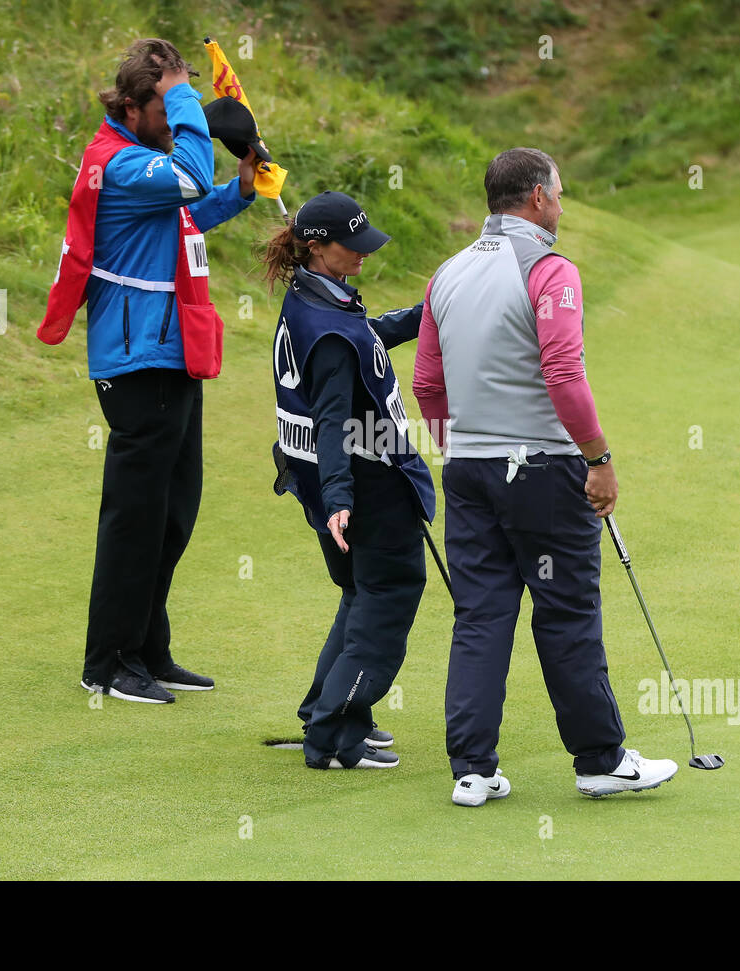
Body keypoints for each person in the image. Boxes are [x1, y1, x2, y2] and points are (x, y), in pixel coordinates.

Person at [412, 147, 679, 805]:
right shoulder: (549, 268)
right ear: (536, 198)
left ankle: (472, 770)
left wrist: (461, 449)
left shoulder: (445, 273)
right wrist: (598, 458)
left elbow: (426, 382)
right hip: (544, 470)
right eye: (558, 194)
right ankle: (600, 760)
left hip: (470, 470)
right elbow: (563, 374)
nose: (561, 205)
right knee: (565, 611)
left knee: (481, 614)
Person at [37, 38, 262, 704]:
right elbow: (187, 180)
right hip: (139, 362)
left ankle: (146, 646)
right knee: (134, 517)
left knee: (172, 513)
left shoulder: (141, 161)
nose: (176, 115)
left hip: (170, 356)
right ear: (132, 107)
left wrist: (244, 188)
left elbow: (187, 210)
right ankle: (106, 661)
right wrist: (191, 96)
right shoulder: (120, 163)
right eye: (166, 103)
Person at [263, 191, 434, 769]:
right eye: (350, 244)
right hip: (364, 487)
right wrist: (342, 500)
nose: (363, 253)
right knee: (386, 599)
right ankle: (335, 737)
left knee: (360, 594)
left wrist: (424, 313)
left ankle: (326, 709)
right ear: (316, 247)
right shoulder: (330, 329)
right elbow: (333, 422)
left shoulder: (313, 301)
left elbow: (368, 338)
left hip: (319, 484)